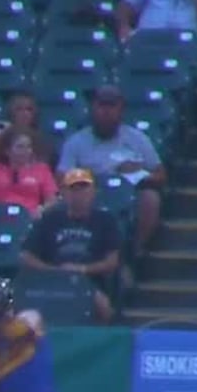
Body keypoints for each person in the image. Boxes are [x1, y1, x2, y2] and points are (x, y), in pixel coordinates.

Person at [58, 85, 166, 262]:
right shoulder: (77, 141)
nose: (106, 112)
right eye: (102, 106)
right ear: (93, 108)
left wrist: (140, 172)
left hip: (129, 197)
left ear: (121, 109)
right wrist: (88, 179)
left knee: (150, 199)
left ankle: (135, 250)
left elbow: (161, 175)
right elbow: (61, 177)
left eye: (112, 106)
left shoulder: (137, 138)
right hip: (90, 195)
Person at [19, 168, 123, 321]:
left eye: (84, 188)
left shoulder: (105, 220)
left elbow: (112, 261)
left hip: (89, 281)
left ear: (93, 191)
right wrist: (54, 271)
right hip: (51, 281)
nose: (79, 194)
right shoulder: (50, 218)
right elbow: (26, 256)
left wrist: (82, 269)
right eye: (73, 189)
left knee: (103, 306)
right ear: (64, 193)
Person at [0, 130, 59, 214]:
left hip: (30, 218)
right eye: (20, 147)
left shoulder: (41, 170)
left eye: (28, 147)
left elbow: (51, 200)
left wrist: (41, 210)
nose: (26, 151)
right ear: (7, 151)